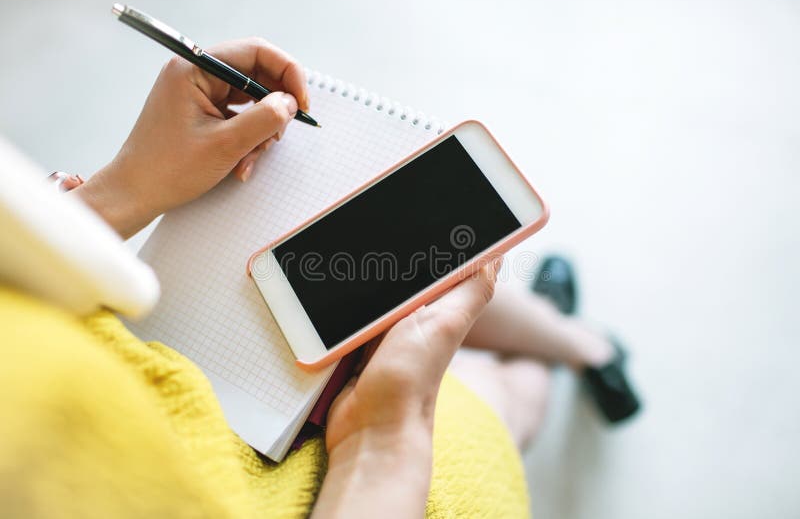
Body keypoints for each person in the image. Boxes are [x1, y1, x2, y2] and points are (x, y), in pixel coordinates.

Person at [0, 37, 638, 517]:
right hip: (327, 492)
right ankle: (579, 350)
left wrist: (118, 195)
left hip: (141, 341)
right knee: (488, 387)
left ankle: (573, 340)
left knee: (388, 271)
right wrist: (384, 437)